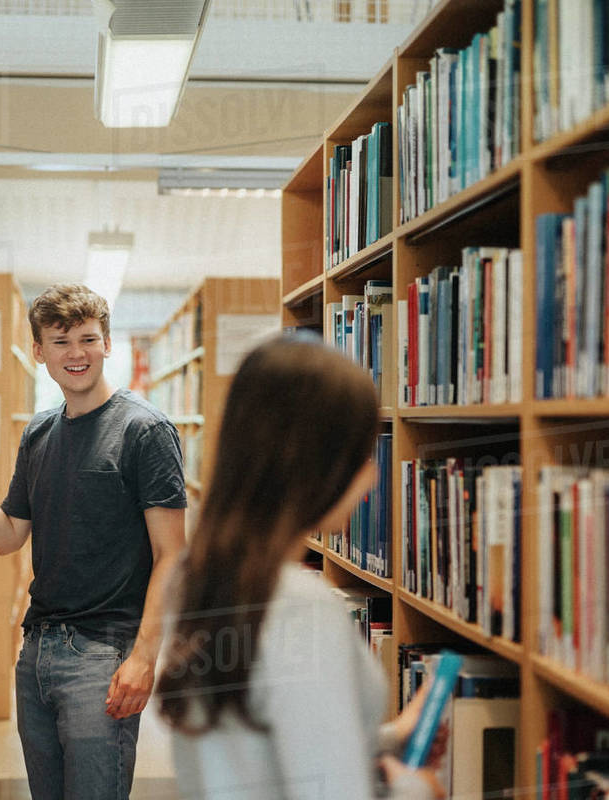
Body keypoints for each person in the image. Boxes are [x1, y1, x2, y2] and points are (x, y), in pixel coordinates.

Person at [0, 284, 188, 800]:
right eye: (61, 341)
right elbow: (7, 536)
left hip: (103, 656)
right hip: (36, 652)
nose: (77, 354)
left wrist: (142, 658)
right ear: (40, 351)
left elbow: (173, 555)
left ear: (108, 344)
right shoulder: (39, 434)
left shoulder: (146, 431)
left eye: (89, 339)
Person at [155, 335, 445, 800]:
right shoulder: (298, 607)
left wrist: (392, 737)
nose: (373, 476)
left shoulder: (195, 577)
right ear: (313, 463)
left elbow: (252, 748)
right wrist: (417, 790)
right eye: (360, 454)